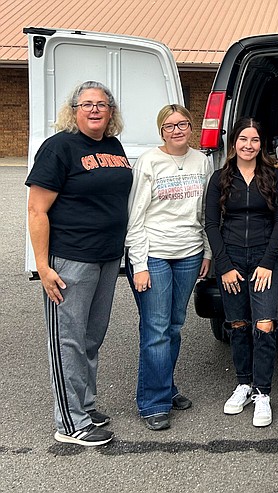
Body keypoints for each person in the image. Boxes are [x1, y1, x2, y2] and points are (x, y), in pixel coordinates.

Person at [26, 81, 132, 446]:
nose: (95, 110)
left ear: (111, 111)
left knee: (91, 337)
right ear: (74, 111)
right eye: (86, 104)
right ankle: (70, 424)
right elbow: (37, 209)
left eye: (102, 104)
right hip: (71, 257)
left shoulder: (113, 146)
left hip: (106, 257)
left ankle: (83, 406)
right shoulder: (58, 148)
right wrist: (43, 266)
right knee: (68, 340)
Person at [125, 104, 213, 430]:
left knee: (174, 326)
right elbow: (134, 216)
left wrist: (206, 252)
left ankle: (165, 385)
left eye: (183, 124)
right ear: (161, 130)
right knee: (156, 329)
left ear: (192, 128)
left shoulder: (201, 161)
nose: (177, 131)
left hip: (189, 254)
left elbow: (204, 212)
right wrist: (139, 264)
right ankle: (153, 402)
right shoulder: (149, 162)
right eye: (169, 126)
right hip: (155, 255)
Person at [205, 117, 278, 427]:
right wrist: (223, 266)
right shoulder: (220, 179)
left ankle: (263, 394)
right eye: (243, 139)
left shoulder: (275, 178)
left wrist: (268, 262)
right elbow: (212, 224)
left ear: (261, 144)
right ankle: (243, 384)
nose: (249, 145)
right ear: (234, 143)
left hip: (264, 258)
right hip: (232, 258)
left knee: (265, 324)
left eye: (254, 140)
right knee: (238, 323)